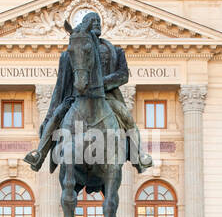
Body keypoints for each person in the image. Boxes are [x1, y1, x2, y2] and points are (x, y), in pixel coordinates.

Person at [24, 12, 153, 174]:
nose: (97, 23)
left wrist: (101, 84)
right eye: (92, 21)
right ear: (84, 25)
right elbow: (61, 86)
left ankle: (139, 156)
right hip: (76, 99)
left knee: (128, 119)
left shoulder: (115, 51)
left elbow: (123, 75)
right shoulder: (71, 52)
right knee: (57, 116)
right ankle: (39, 154)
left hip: (106, 98)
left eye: (98, 20)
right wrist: (50, 113)